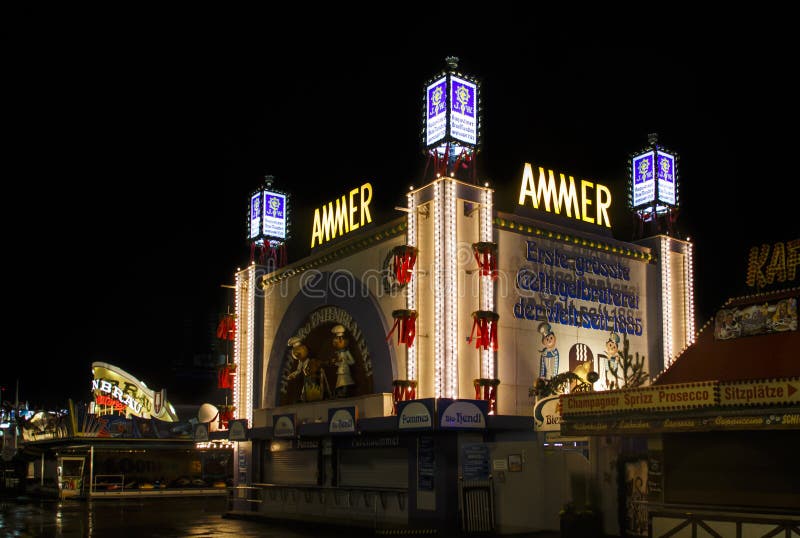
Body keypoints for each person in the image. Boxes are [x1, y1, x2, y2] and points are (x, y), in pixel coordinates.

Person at [331, 325, 356, 398]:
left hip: (345, 371)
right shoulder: (337, 353)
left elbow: (352, 361)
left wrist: (345, 361)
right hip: (340, 371)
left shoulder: (346, 352)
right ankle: (341, 393)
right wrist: (335, 362)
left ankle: (344, 393)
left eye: (340, 339)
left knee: (344, 382)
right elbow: (338, 363)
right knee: (339, 384)